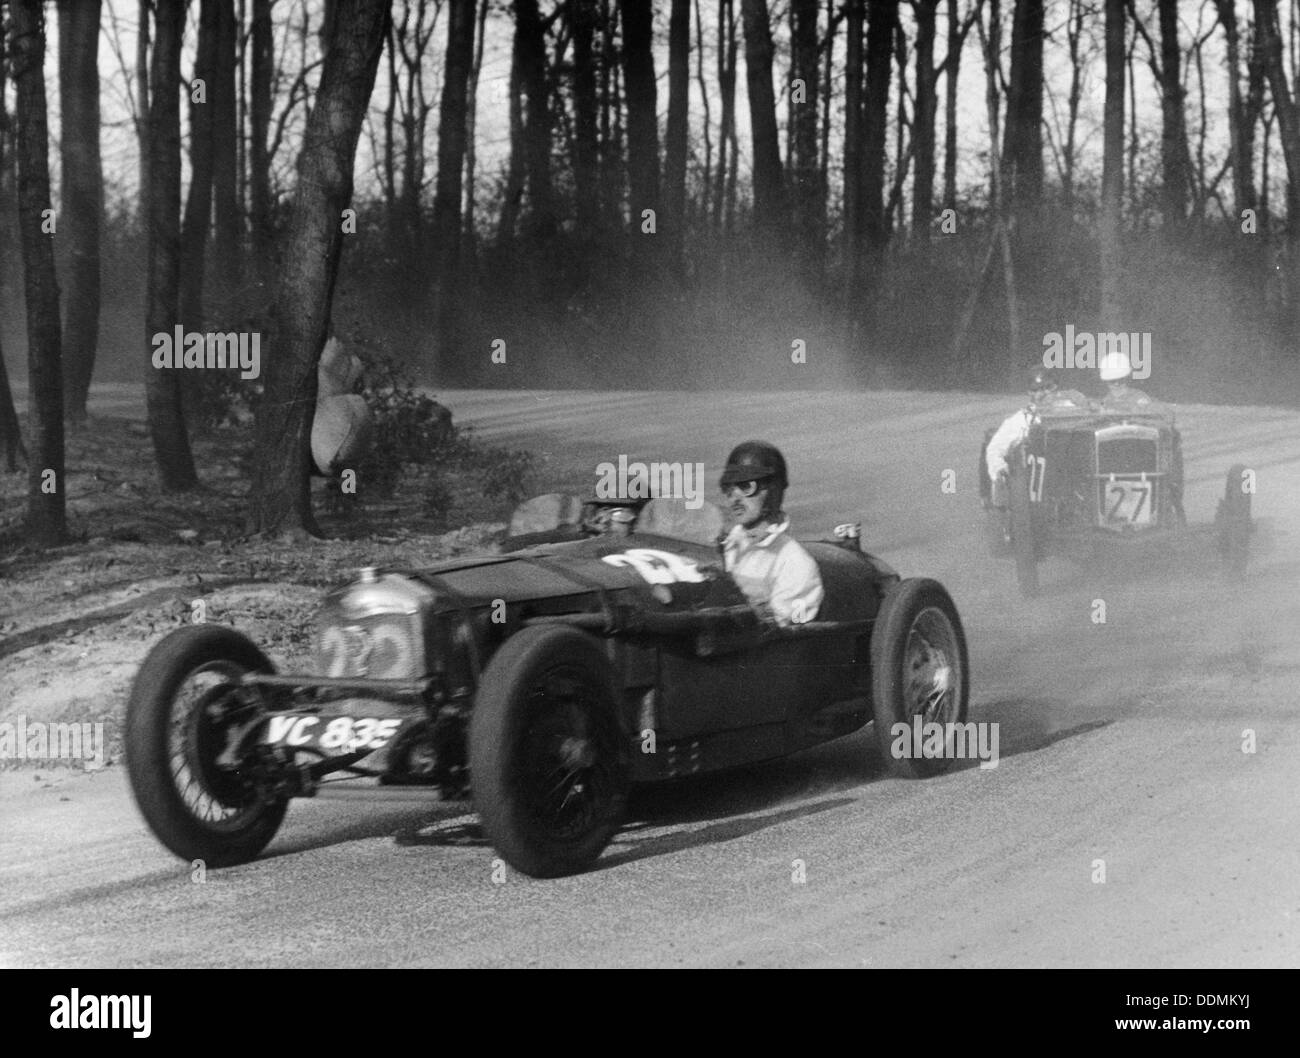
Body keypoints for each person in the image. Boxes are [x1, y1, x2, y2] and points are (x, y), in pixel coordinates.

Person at [718, 441, 823, 627]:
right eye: (729, 489)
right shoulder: (722, 544)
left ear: (773, 489)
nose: (735, 498)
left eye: (745, 487)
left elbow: (784, 628)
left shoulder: (794, 562)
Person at [984, 368, 1074, 490]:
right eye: (1036, 390)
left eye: (1047, 388)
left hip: (1072, 475)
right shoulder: (1020, 421)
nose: (1042, 394)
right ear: (1029, 392)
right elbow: (994, 449)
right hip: (1036, 486)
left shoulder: (1071, 410)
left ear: (1056, 387)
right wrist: (1000, 471)